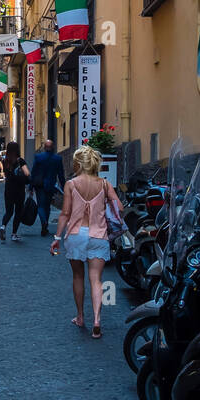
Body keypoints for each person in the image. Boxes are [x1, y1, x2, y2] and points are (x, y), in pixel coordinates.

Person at [49, 144, 120, 338]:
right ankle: (97, 320)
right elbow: (119, 207)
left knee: (78, 276)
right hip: (99, 235)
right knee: (96, 279)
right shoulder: (104, 184)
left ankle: (80, 316)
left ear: (79, 163)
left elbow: (64, 213)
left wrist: (56, 238)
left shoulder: (71, 184)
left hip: (76, 235)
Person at [31, 139, 66, 237]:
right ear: (53, 147)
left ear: (45, 147)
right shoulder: (57, 158)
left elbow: (34, 172)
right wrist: (64, 186)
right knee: (47, 206)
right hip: (50, 185)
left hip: (39, 185)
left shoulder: (38, 157)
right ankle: (45, 225)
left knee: (40, 206)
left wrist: (30, 185)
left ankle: (44, 222)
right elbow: (61, 174)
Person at [0, 142, 30, 243]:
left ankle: (3, 226)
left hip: (8, 189)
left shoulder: (5, 161)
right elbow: (27, 173)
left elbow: (5, 174)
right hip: (19, 190)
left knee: (9, 211)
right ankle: (14, 234)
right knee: (18, 212)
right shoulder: (20, 160)